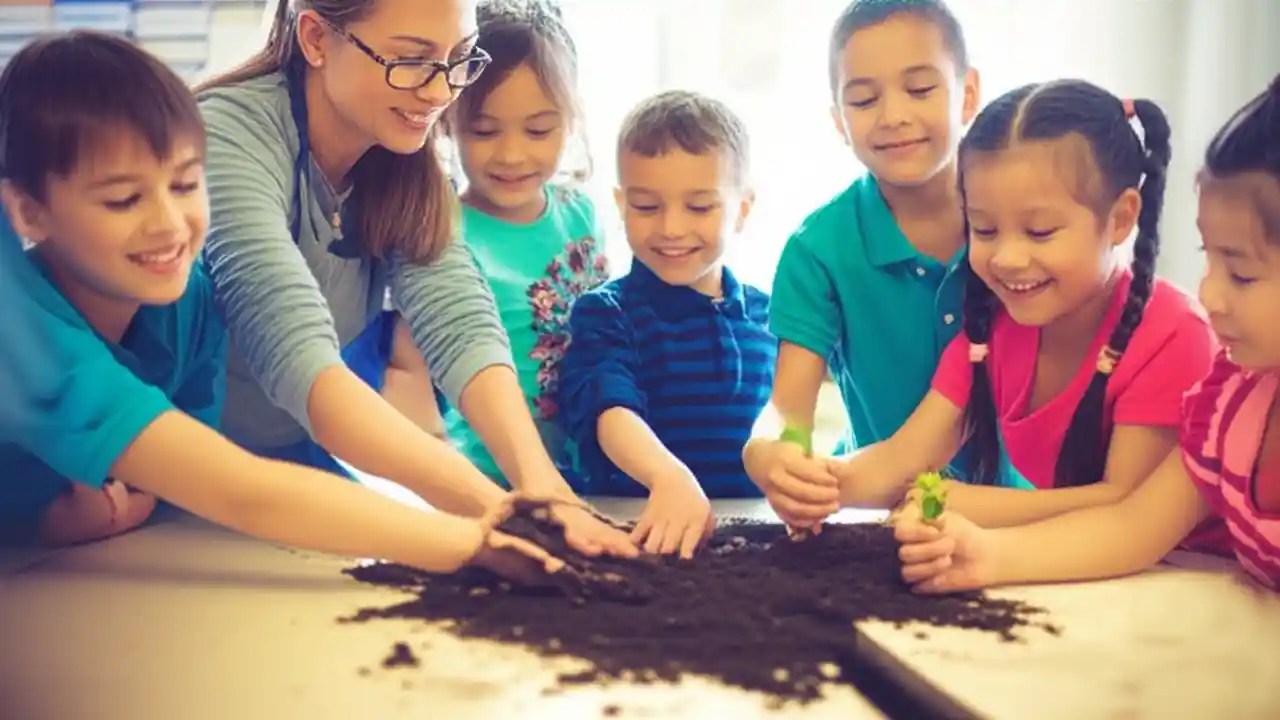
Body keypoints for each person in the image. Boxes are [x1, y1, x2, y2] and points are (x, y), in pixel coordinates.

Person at [0, 31, 560, 582]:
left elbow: (177, 483)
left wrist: (532, 500)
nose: (168, 226)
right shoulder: (22, 332)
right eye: (124, 200)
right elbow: (241, 490)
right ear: (27, 212)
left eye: (187, 185)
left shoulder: (190, 304)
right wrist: (485, 541)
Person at [195, 0, 633, 556]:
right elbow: (296, 357)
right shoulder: (227, 135)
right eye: (411, 60)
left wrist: (541, 484)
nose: (441, 93)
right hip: (167, 475)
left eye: (459, 58)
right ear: (315, 39)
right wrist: (502, 508)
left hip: (285, 460)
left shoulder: (394, 140)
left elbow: (459, 320)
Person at [895, 76, 1280, 593]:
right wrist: (985, 555)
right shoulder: (1228, 404)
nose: (1209, 295)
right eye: (1207, 260)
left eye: (1242, 274)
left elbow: (1120, 502)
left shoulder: (1178, 335)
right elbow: (1131, 527)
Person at [744, 0, 980, 500]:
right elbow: (789, 410)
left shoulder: (1019, 229)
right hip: (879, 510)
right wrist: (775, 450)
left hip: (1026, 514)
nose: (894, 116)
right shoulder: (818, 250)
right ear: (838, 121)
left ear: (968, 94)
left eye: (919, 89)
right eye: (864, 100)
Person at [558, 91, 774, 558]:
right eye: (646, 207)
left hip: (750, 539)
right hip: (632, 530)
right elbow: (609, 412)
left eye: (699, 207)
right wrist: (668, 477)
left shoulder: (771, 316)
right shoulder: (606, 311)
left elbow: (788, 420)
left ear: (742, 208)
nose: (672, 228)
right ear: (620, 204)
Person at [439, 0, 607, 490]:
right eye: (484, 131)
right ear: (447, 122)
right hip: (490, 478)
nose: (512, 155)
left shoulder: (581, 212)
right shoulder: (444, 230)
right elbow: (406, 371)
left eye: (538, 130)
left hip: (592, 471)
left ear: (570, 119)